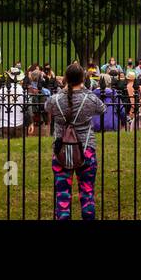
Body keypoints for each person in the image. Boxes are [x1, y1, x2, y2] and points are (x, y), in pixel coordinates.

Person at [46, 62, 105, 220]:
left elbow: (47, 107)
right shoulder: (89, 98)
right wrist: (85, 88)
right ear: (83, 79)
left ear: (65, 78)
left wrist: (63, 88)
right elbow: (102, 108)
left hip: (61, 152)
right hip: (86, 149)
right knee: (87, 194)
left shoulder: (56, 99)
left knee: (62, 196)